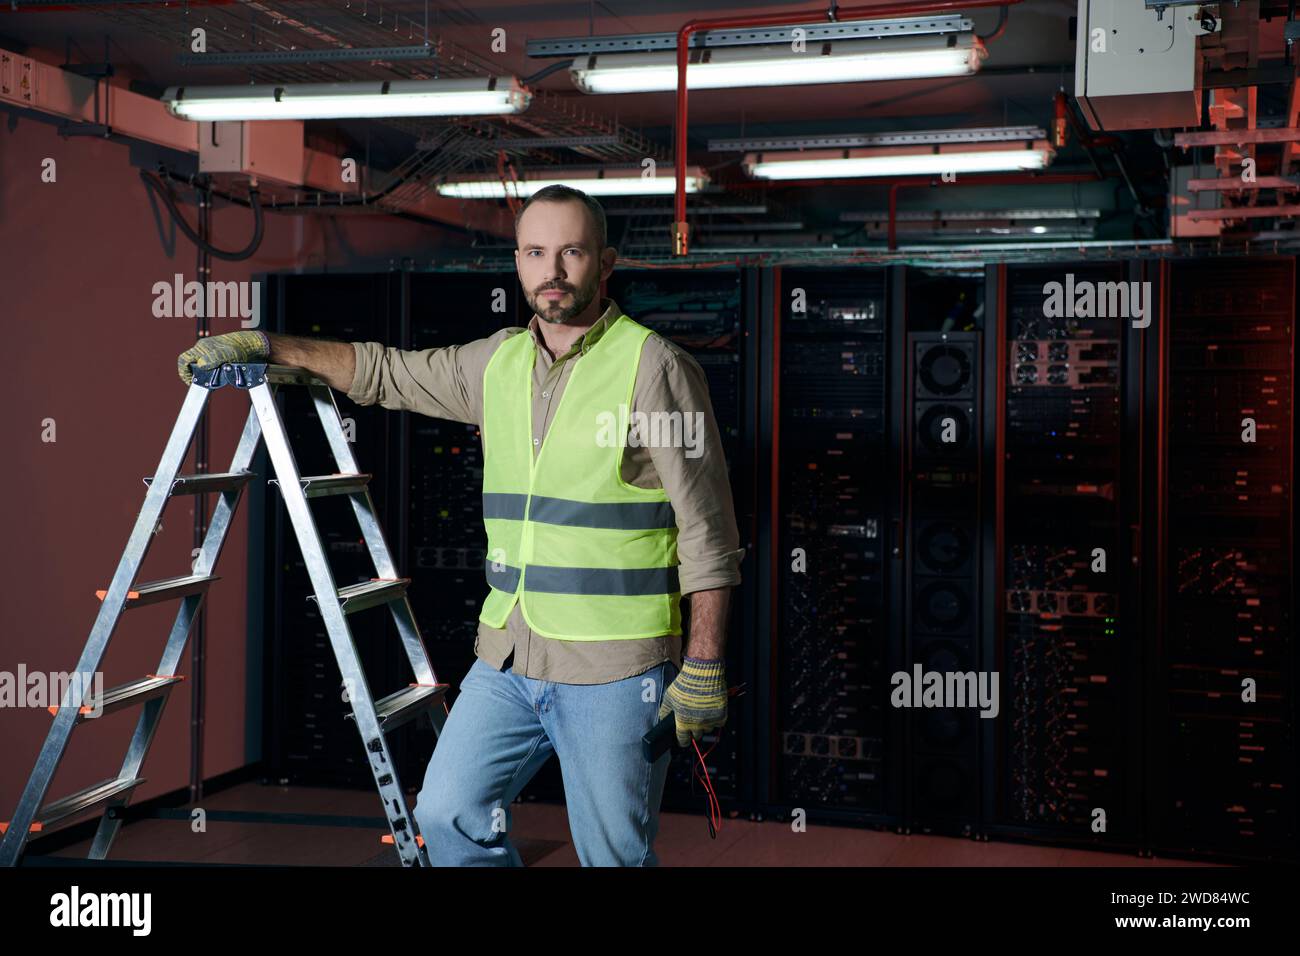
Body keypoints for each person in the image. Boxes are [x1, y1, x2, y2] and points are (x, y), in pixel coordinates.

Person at [176, 184, 744, 866]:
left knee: (612, 856)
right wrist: (267, 344)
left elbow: (708, 528)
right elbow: (384, 371)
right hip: (508, 656)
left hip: (615, 669)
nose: (553, 271)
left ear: (606, 261)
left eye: (571, 252)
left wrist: (705, 661)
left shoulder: (654, 368)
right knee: (445, 813)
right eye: (536, 252)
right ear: (517, 263)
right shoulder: (497, 363)